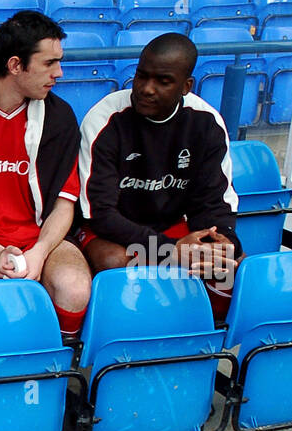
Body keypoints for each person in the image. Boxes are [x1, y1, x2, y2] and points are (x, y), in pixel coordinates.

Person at [0, 11, 91, 341]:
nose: (59, 73)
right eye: (49, 63)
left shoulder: (60, 117)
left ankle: (57, 369)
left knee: (75, 286)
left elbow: (65, 204)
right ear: (15, 65)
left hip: (41, 236)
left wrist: (39, 251)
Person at [77, 33, 242, 324]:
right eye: (141, 76)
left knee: (226, 263)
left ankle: (201, 340)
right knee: (116, 262)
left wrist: (221, 241)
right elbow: (101, 215)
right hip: (110, 232)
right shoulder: (105, 118)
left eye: (162, 81)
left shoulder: (206, 122)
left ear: (186, 86)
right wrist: (169, 250)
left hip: (170, 228)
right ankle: (122, 338)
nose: (146, 89)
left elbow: (214, 203)